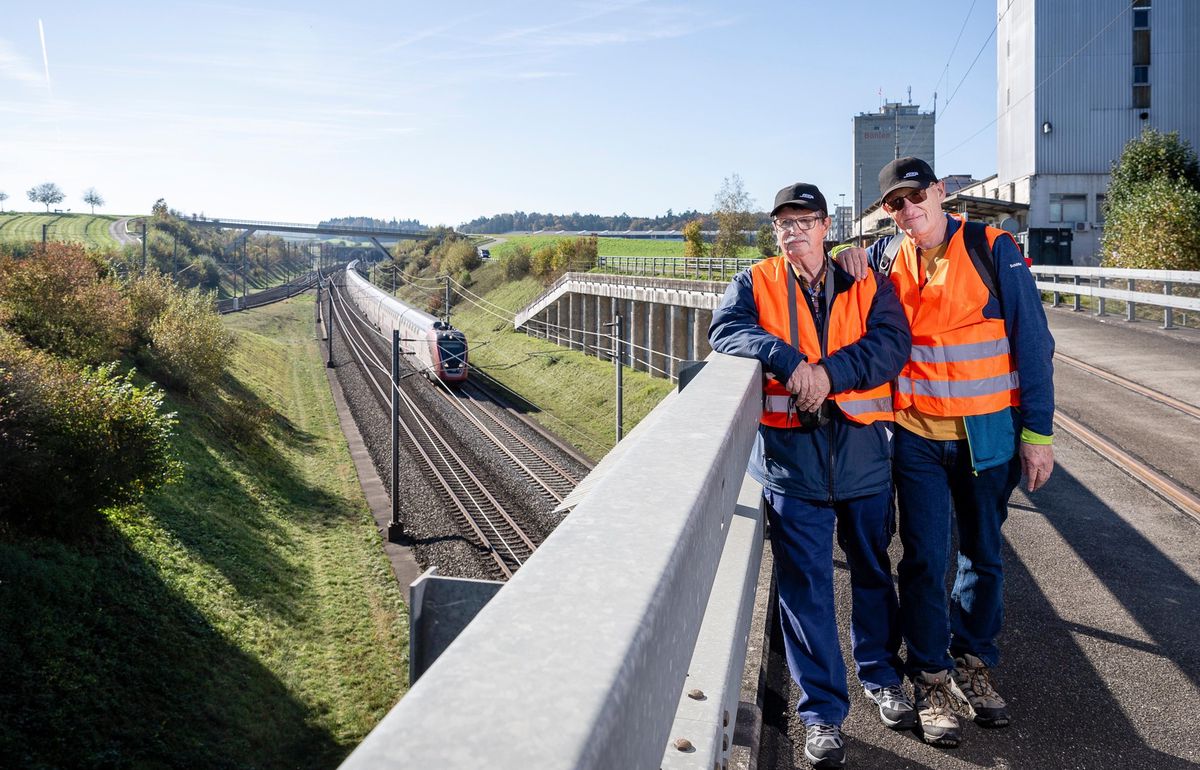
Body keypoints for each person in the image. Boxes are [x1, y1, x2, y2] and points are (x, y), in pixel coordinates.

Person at [844, 157, 1055, 747]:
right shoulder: (887, 258)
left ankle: (974, 663)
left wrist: (1038, 435)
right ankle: (932, 678)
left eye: (917, 196)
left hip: (987, 440)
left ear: (939, 193)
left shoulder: (992, 248)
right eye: (895, 203)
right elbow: (850, 299)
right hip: (916, 438)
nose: (909, 209)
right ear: (886, 211)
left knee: (983, 558)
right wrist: (846, 260)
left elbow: (1034, 344)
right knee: (922, 560)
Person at [709, 183, 913, 769]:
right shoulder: (756, 281)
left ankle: (881, 678)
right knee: (805, 591)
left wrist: (830, 374)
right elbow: (725, 332)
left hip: (862, 456)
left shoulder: (864, 279)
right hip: (791, 463)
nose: (793, 231)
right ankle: (822, 713)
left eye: (804, 220)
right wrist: (788, 360)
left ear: (827, 225)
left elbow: (891, 345)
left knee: (874, 572)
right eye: (783, 223)